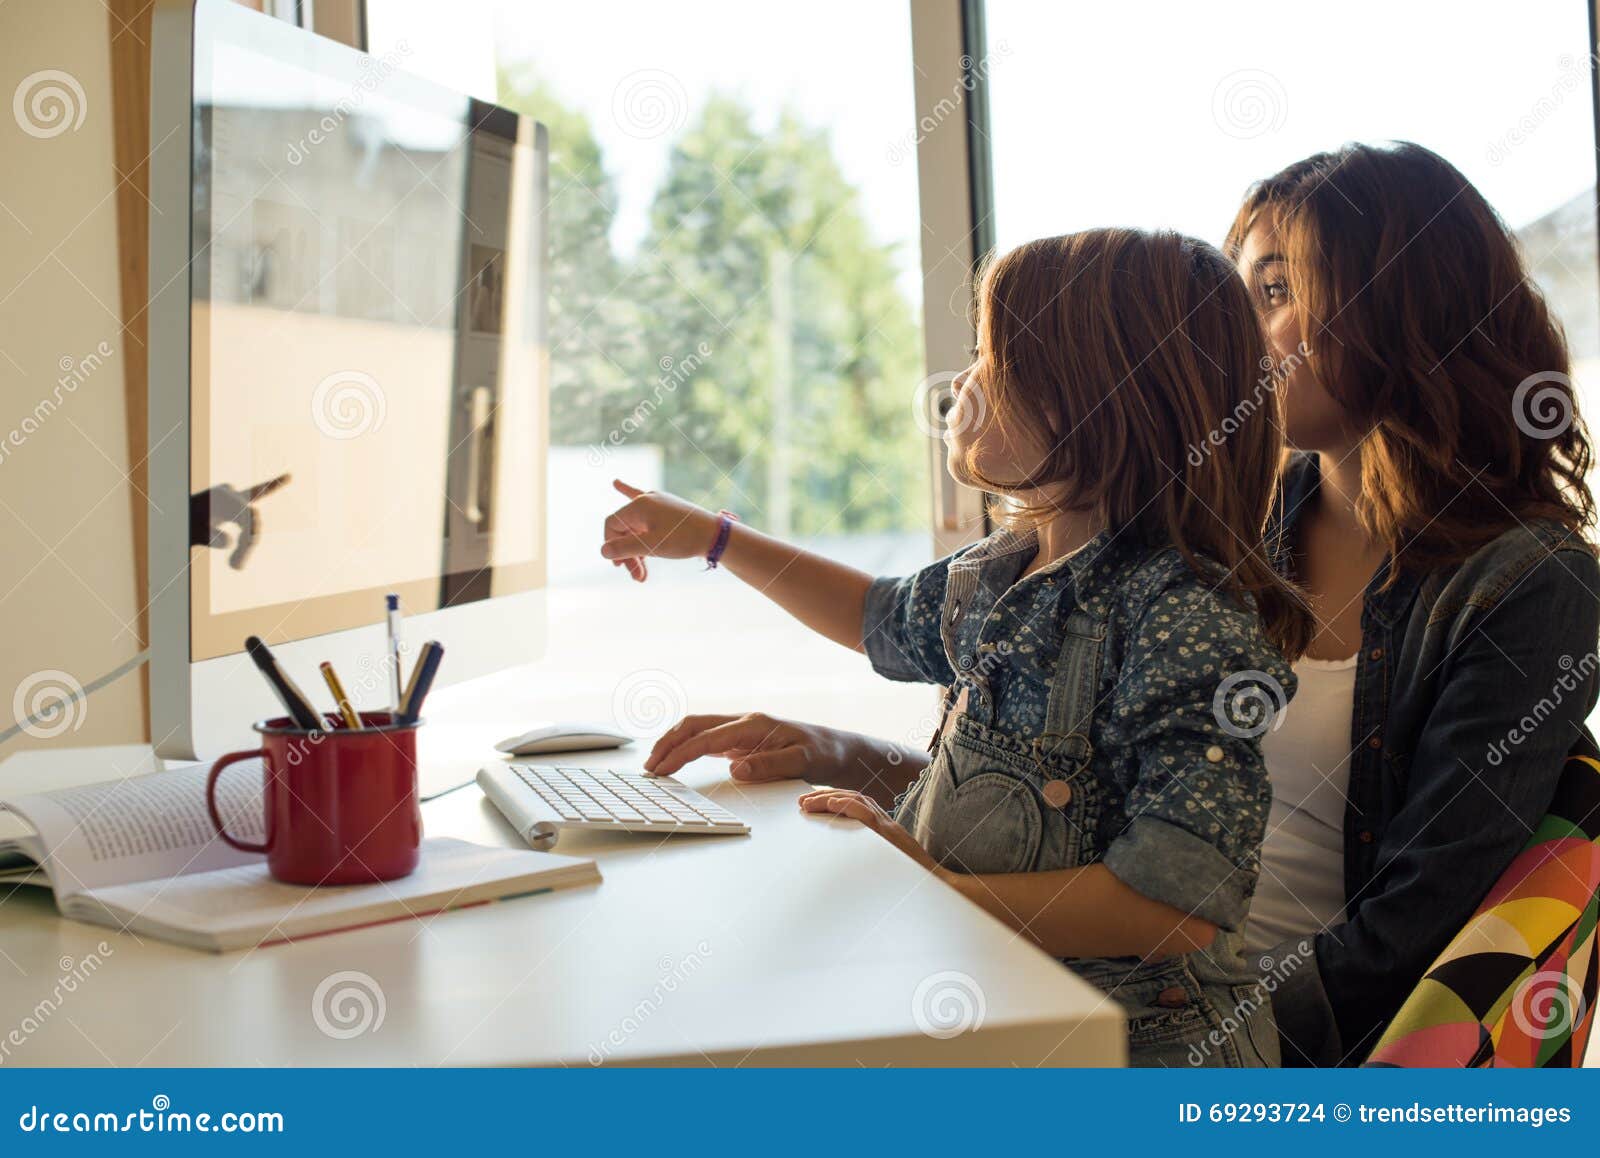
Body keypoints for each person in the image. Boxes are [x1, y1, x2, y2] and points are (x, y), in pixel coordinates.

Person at [601, 228, 1312, 1066]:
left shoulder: (1184, 623)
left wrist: (937, 893)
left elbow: (1173, 904)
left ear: (1092, 401)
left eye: (991, 359)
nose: (960, 387)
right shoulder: (1000, 574)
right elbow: (876, 616)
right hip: (1009, 1011)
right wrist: (717, 537)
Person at [1225, 141, 1599, 1065]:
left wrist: (1196, 1039)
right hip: (1157, 986)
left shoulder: (1530, 582)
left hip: (1310, 1056)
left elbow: (1413, 927)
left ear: (1399, 305)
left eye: (1276, 293)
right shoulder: (1232, 528)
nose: (1243, 335)